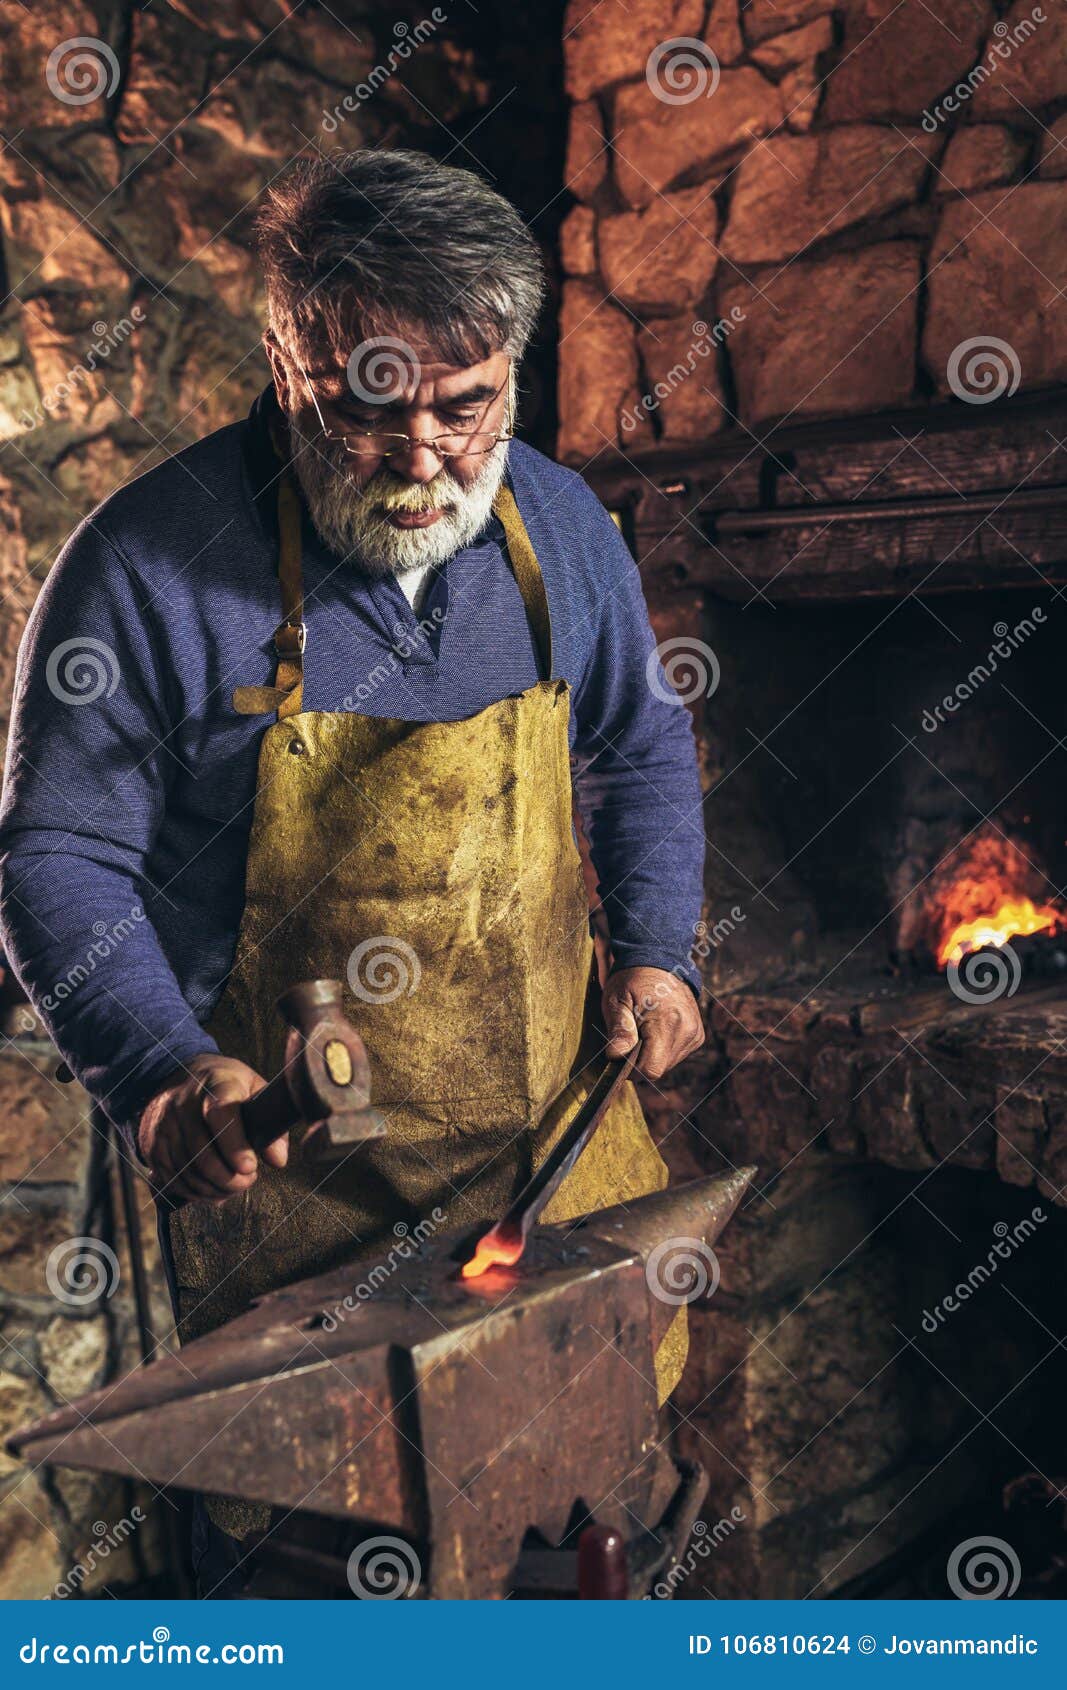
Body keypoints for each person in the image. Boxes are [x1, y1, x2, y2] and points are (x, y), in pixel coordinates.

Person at [0, 149, 706, 1590]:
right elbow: (60, 853)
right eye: (368, 410)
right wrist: (157, 1071)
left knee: (582, 1546)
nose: (428, 457)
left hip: (550, 1174)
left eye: (468, 405)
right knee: (343, 1581)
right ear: (285, 359)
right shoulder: (142, 568)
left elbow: (637, 742)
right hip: (301, 1219)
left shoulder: (560, 527)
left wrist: (660, 949)